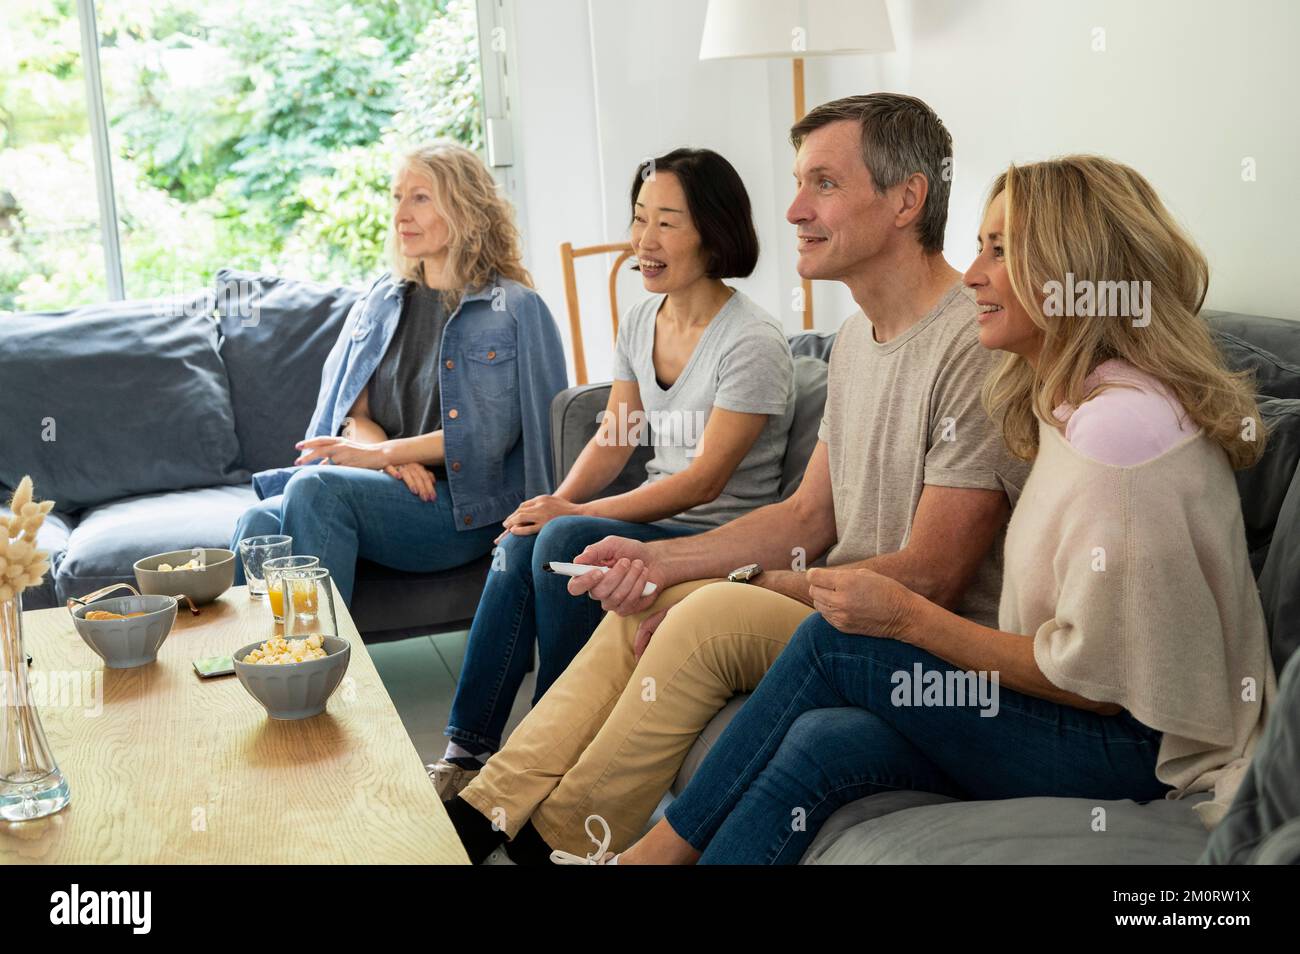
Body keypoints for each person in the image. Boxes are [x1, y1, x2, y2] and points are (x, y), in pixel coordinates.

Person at [615, 155, 1277, 865]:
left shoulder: (1120, 430)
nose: (972, 274)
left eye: (1000, 251)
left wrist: (904, 618)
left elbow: (1094, 685)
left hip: (1142, 749)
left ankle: (650, 856)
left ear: (1072, 272)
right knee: (823, 745)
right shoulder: (1076, 401)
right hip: (1094, 720)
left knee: (835, 642)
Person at [443, 93, 1029, 863]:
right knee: (643, 599)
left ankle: (545, 839)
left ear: (906, 199)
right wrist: (654, 560)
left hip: (904, 636)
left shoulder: (973, 341)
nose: (792, 209)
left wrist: (748, 584)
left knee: (706, 618)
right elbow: (804, 521)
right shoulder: (854, 341)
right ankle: (487, 812)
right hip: (837, 605)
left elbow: (931, 577)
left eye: (823, 183)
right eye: (798, 183)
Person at [427, 148, 795, 797]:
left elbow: (705, 481)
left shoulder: (752, 342)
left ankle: (549, 748)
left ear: (713, 233)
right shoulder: (640, 319)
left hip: (718, 543)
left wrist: (573, 517)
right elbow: (617, 436)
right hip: (659, 517)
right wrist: (554, 500)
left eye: (666, 224)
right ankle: (467, 750)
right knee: (526, 538)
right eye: (638, 219)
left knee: (569, 538)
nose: (642, 242)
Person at [230, 142, 568, 607]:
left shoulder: (512, 308)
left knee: (314, 487)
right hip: (391, 489)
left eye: (421, 198)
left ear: (466, 208)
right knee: (258, 526)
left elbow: (482, 440)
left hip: (462, 508)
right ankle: (261, 671)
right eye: (397, 198)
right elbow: (356, 417)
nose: (401, 215)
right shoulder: (383, 299)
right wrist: (386, 460)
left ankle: (311, 668)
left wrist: (383, 454)